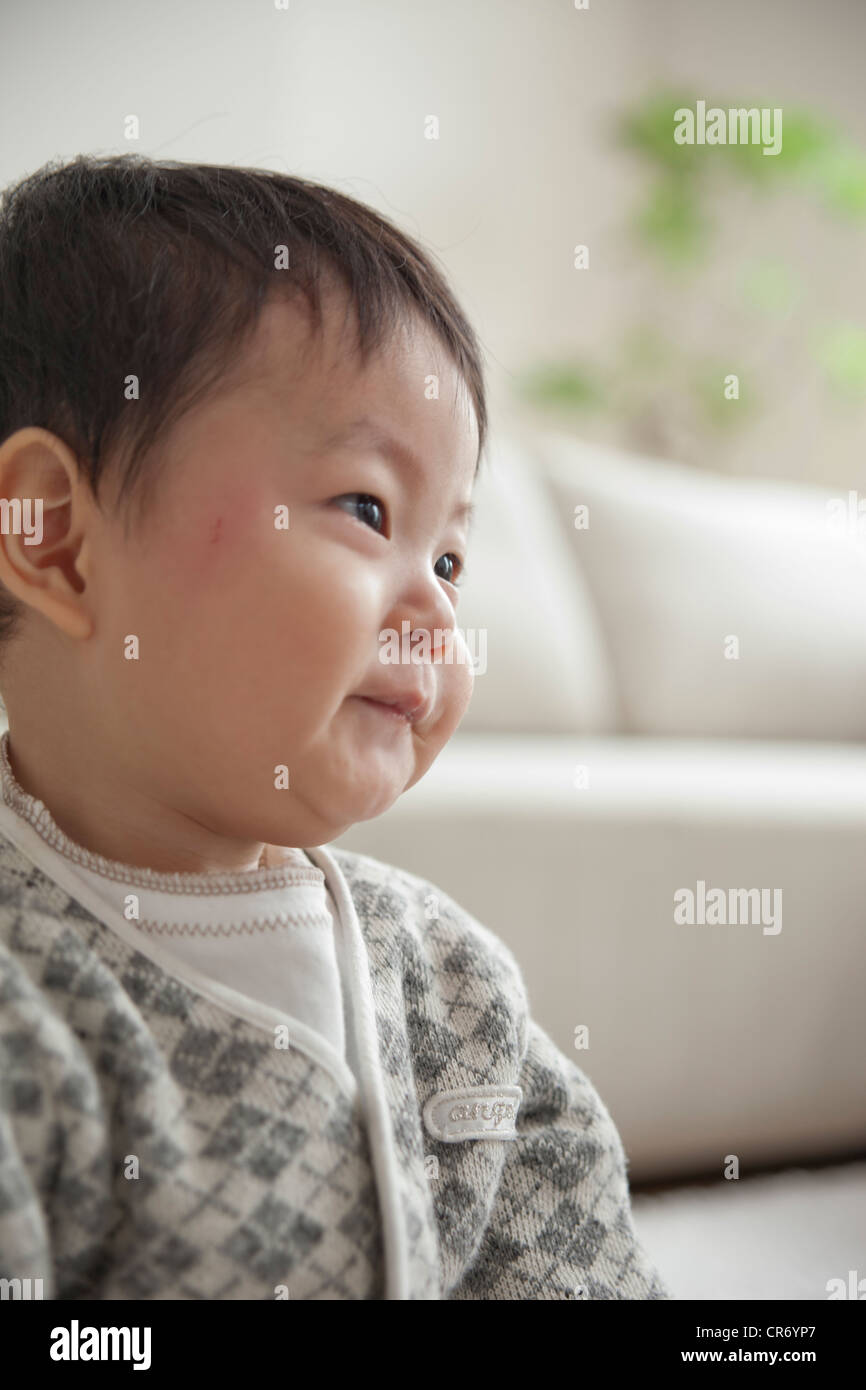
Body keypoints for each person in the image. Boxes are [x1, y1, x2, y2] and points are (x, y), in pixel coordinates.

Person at [0, 155, 670, 1300]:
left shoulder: (450, 981)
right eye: (367, 509)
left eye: (450, 556)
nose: (438, 608)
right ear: (55, 534)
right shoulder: (31, 1004)